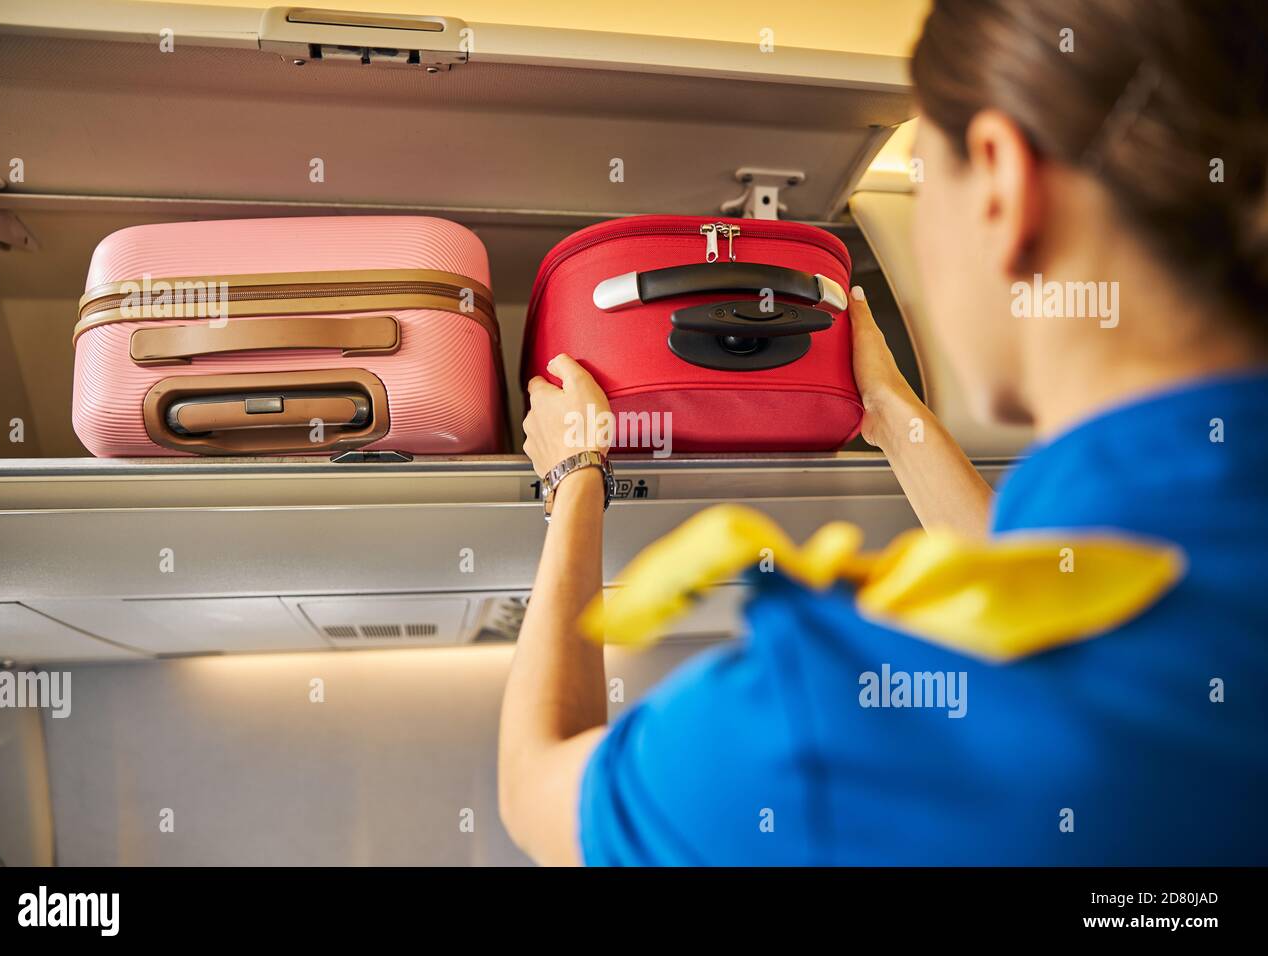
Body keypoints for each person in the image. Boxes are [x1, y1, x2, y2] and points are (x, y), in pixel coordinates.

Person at [497, 0, 1268, 865]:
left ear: (1004, 189)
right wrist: (892, 417)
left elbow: (537, 787)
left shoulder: (828, 715)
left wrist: (575, 476)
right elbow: (1041, 594)